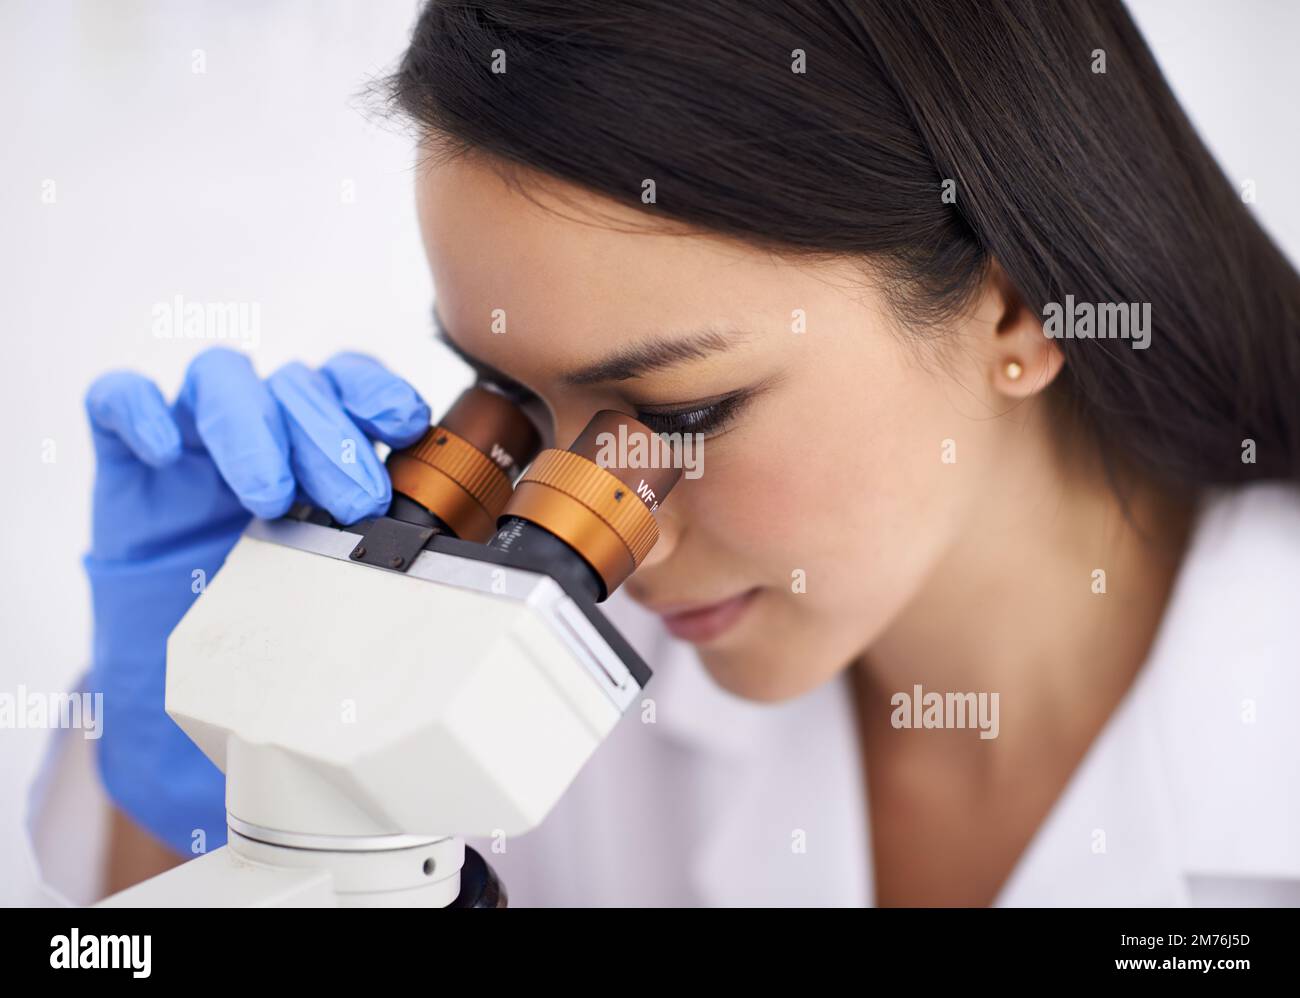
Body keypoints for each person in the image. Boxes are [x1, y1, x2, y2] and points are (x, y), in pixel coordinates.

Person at [27, 0, 1300, 906]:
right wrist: (248, 786)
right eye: (505, 401)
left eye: (679, 416)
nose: (615, 537)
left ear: (1017, 308)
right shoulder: (509, 711)